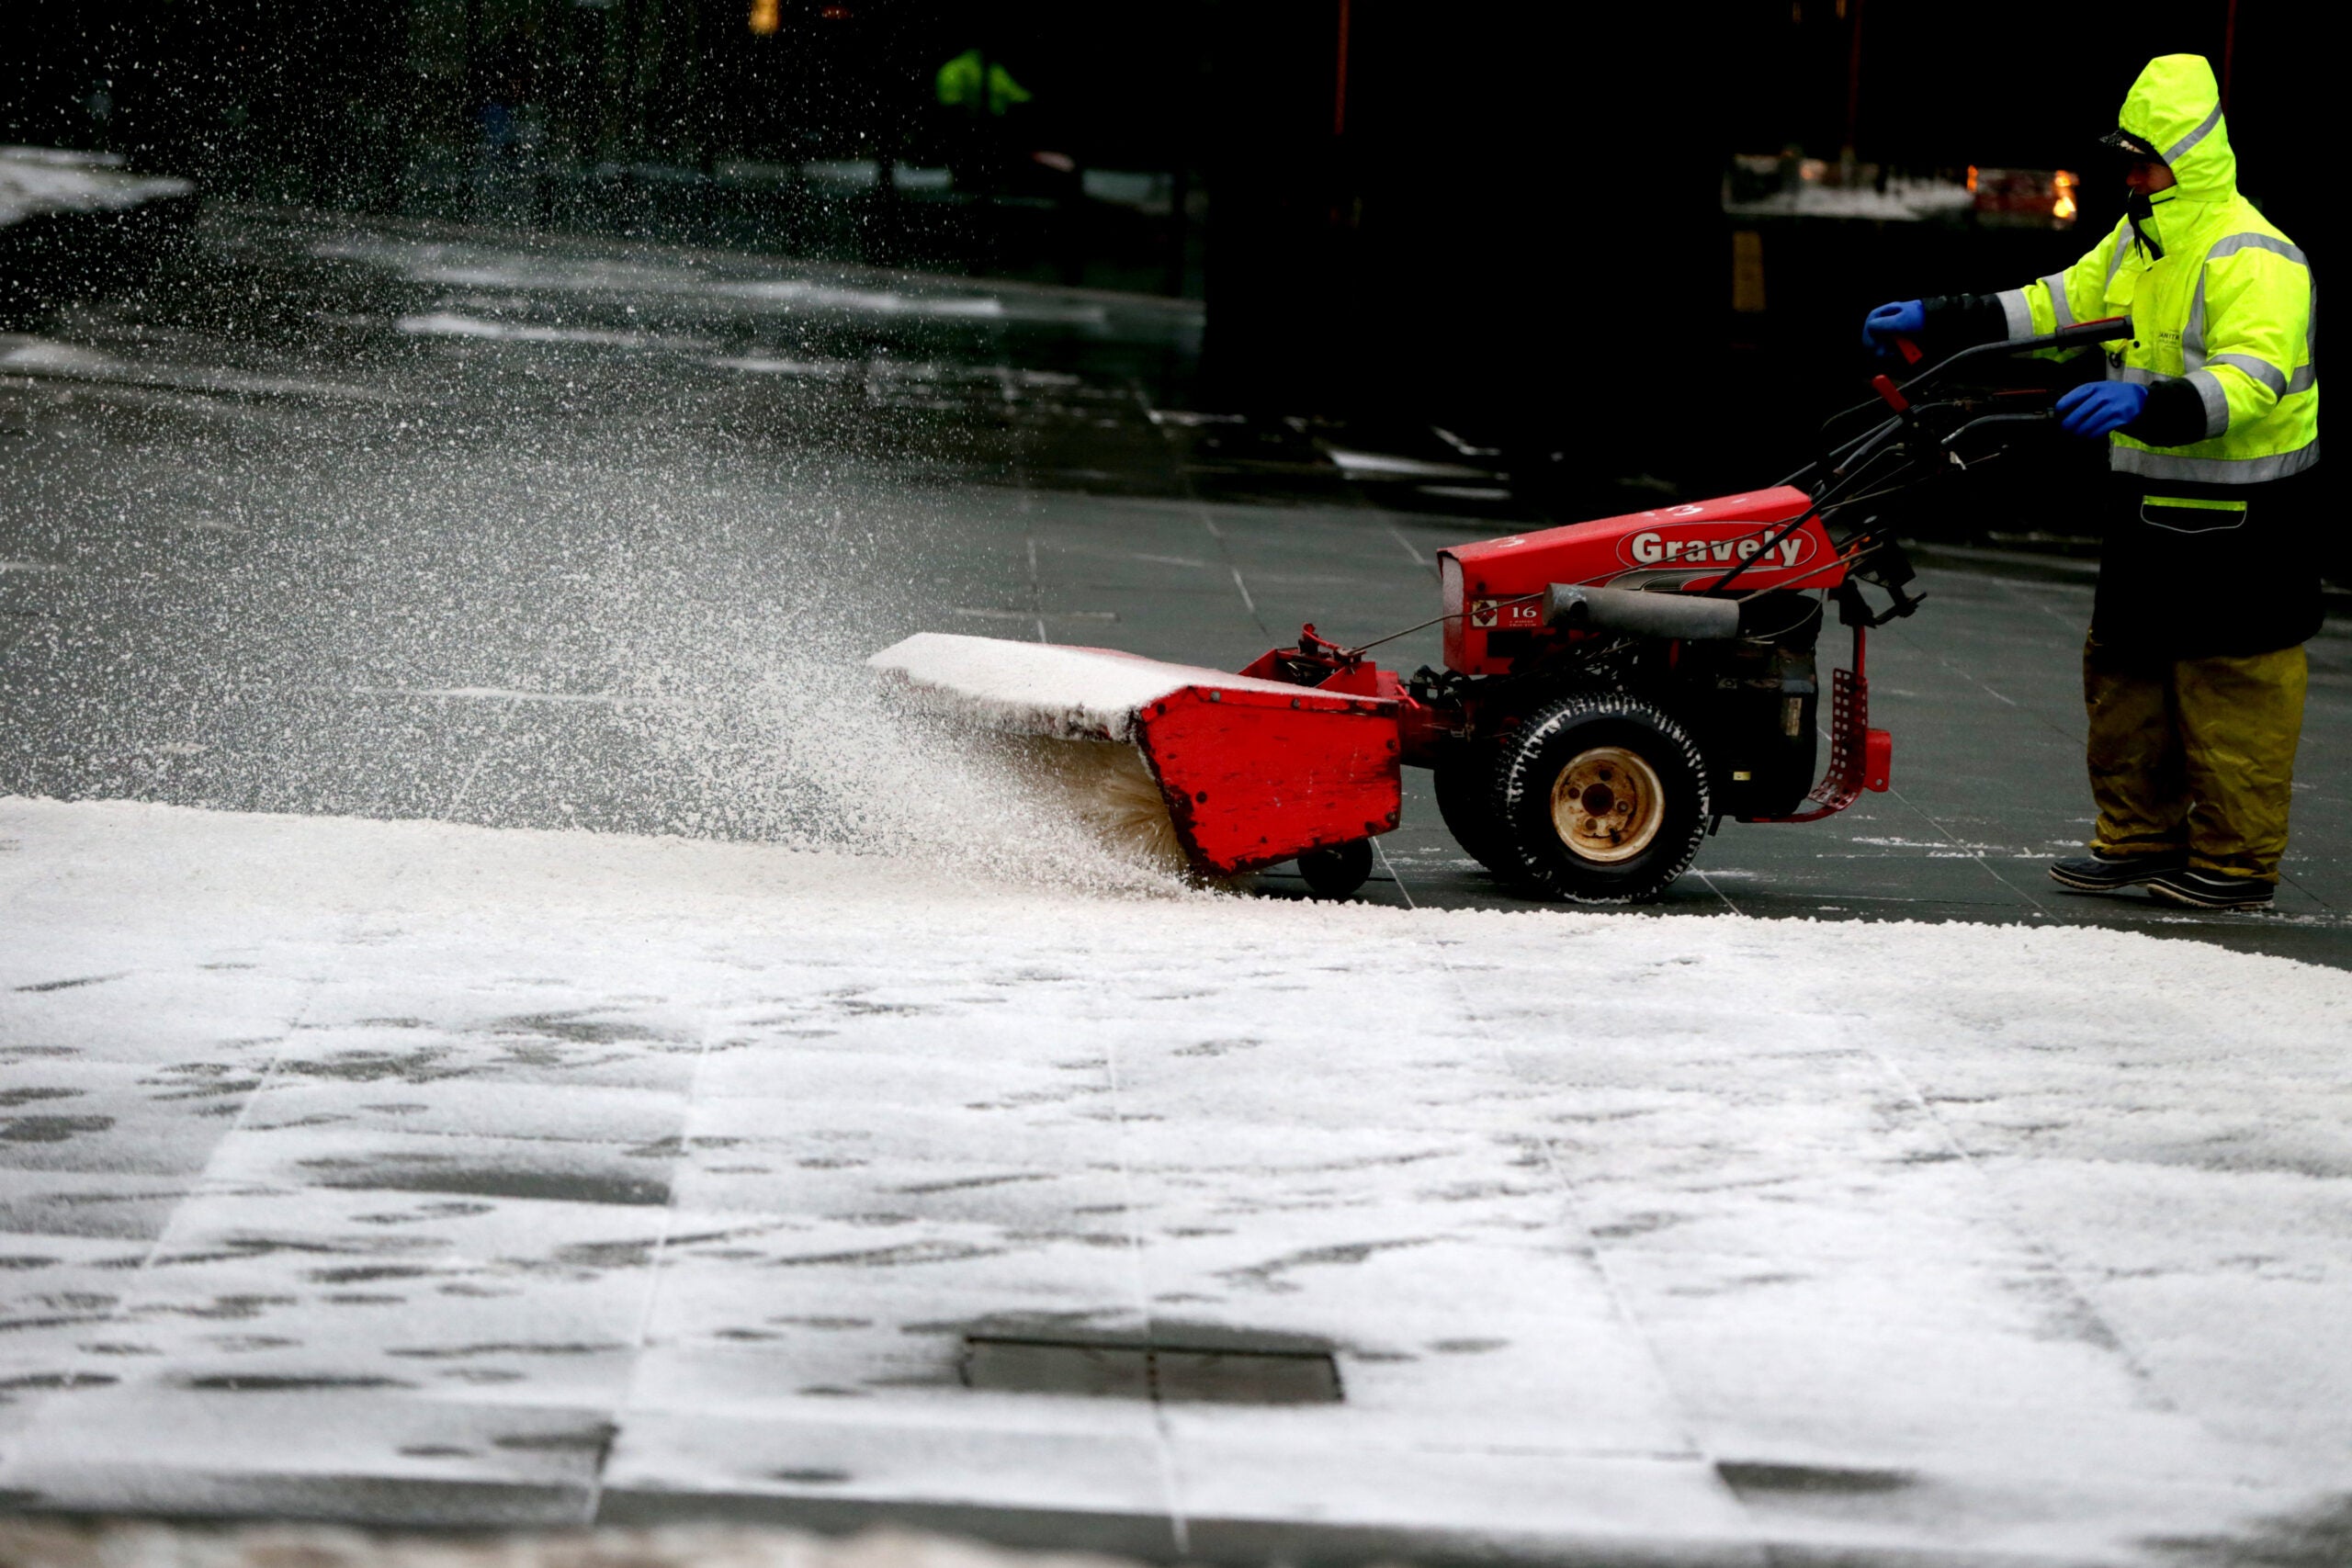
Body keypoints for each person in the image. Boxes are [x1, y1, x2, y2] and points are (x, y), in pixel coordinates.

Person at [1863, 54, 2319, 912]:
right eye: (2125, 160)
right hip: (2150, 509)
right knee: (2128, 677)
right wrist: (1945, 315)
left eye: (2142, 160)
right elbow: (2059, 304)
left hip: (2244, 522)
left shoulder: (2254, 256)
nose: (2129, 176)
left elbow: (2254, 379)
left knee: (2232, 693)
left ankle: (2236, 860)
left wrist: (2145, 401)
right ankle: (2138, 838)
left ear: (2188, 157)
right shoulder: (2142, 238)